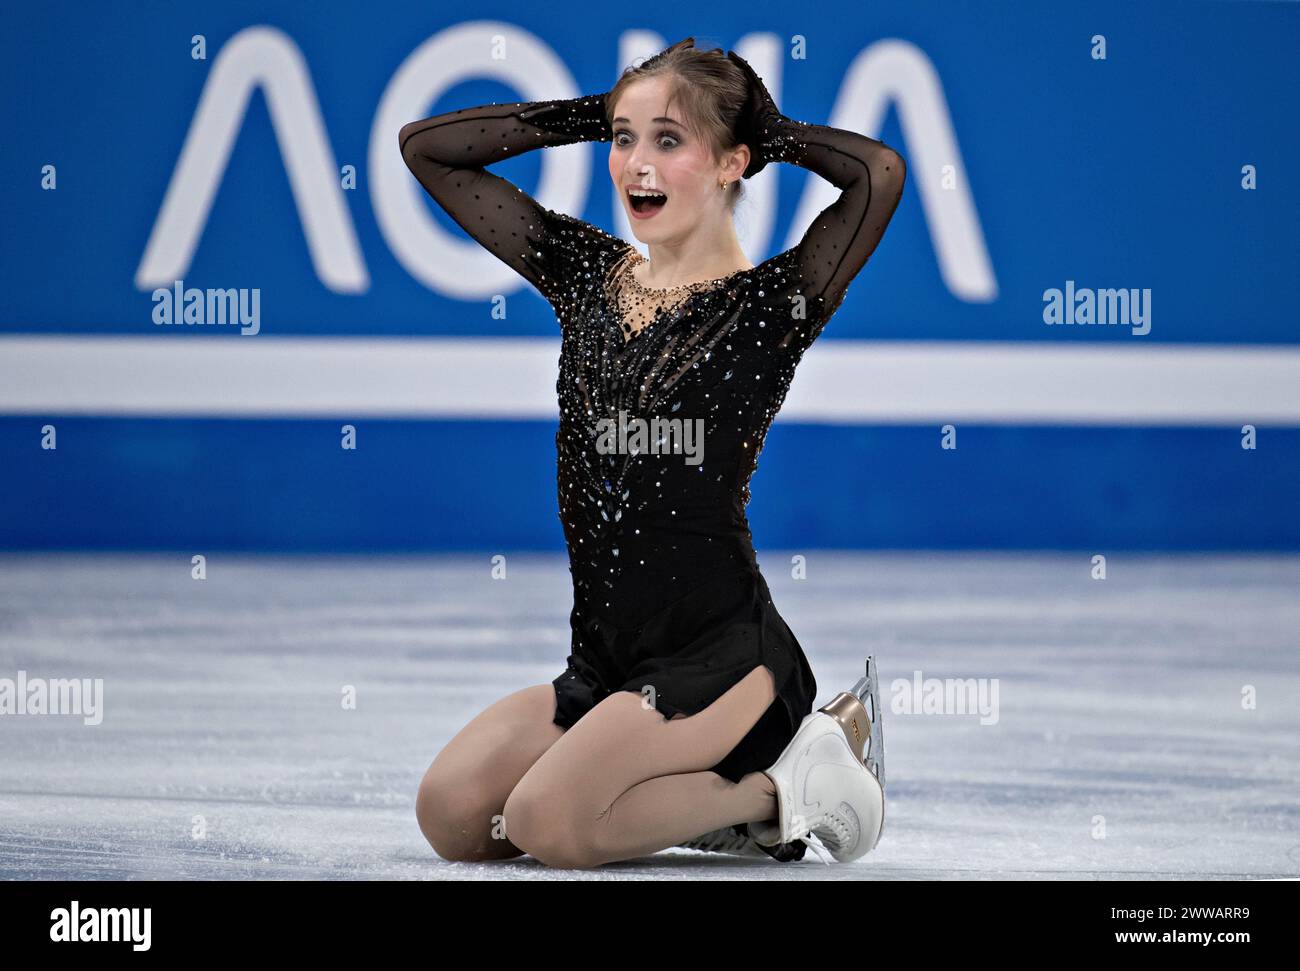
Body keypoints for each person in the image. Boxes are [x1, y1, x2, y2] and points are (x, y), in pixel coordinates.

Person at [399, 37, 905, 868]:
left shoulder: (770, 305)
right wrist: (588, 113)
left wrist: (776, 133)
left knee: (547, 823)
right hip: (605, 657)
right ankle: (677, 801)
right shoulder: (586, 275)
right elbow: (429, 151)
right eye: (624, 139)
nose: (637, 163)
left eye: (669, 140)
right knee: (453, 814)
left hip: (722, 657)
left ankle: (785, 788)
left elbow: (877, 173)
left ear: (731, 163)